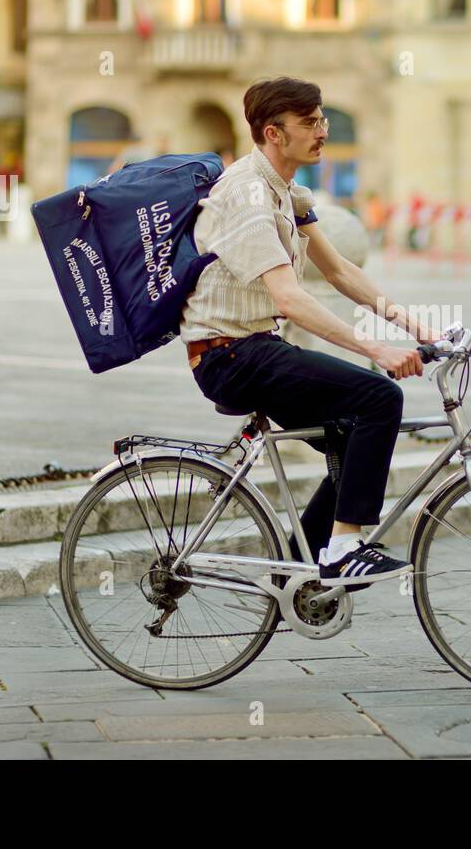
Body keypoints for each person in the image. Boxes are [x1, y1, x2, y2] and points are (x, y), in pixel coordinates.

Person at [181, 76, 442, 588]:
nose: (322, 130)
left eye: (322, 119)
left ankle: (303, 572)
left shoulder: (288, 192)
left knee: (351, 431)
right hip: (230, 356)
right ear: (274, 134)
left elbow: (340, 271)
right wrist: (375, 350)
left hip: (255, 348)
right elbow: (289, 298)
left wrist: (420, 328)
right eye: (310, 123)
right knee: (378, 397)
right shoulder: (249, 194)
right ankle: (344, 547)